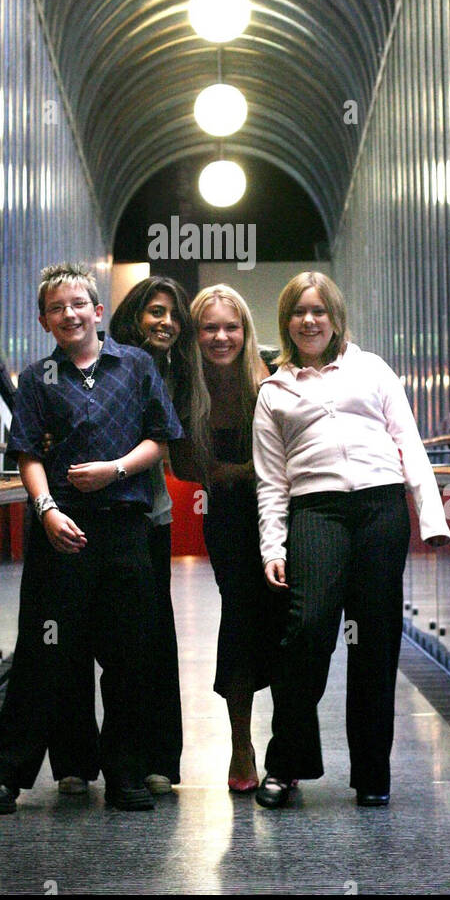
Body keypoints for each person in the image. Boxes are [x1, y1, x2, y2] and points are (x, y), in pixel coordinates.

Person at [0, 262, 183, 814]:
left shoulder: (136, 365)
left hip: (123, 528)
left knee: (128, 657)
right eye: (56, 308)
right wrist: (45, 511)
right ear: (45, 321)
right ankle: (6, 775)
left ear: (97, 311)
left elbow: (160, 439)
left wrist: (115, 469)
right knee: (43, 654)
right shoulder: (37, 378)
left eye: (78, 304)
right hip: (61, 530)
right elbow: (27, 452)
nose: (69, 314)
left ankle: (127, 774)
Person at [251, 271, 450, 809]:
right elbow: (270, 480)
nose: (309, 320)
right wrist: (273, 547)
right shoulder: (273, 391)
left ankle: (371, 774)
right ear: (286, 323)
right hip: (315, 512)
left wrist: (431, 517)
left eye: (319, 311)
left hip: (381, 510)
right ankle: (286, 763)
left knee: (374, 641)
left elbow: (407, 439)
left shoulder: (372, 368)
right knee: (308, 630)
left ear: (336, 318)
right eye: (298, 312)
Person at [173, 284, 285, 792]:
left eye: (230, 327)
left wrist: (237, 472)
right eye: (209, 328)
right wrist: (244, 473)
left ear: (246, 330)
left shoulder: (272, 377)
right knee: (241, 621)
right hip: (230, 522)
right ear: (195, 335)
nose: (221, 336)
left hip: (283, 516)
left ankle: (287, 749)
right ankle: (242, 744)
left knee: (287, 622)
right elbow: (183, 461)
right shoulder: (183, 384)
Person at [109, 275, 207, 793]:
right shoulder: (101, 365)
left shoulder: (178, 373)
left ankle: (159, 760)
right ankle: (85, 764)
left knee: (153, 638)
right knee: (100, 640)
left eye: (173, 314)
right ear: (133, 315)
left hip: (151, 518)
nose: (166, 322)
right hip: (99, 517)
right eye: (154, 311)